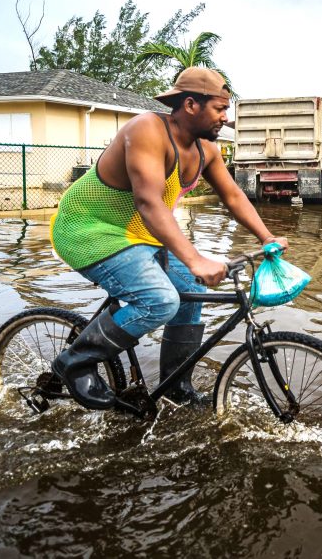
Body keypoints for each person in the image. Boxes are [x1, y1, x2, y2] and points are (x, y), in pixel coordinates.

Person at [49, 67, 287, 410]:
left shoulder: (207, 150)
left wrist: (266, 237)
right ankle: (74, 362)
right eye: (219, 109)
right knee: (160, 301)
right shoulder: (147, 130)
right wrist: (196, 259)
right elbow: (148, 202)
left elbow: (233, 196)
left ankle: (176, 387)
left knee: (191, 290)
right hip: (89, 230)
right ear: (190, 105)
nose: (225, 117)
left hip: (140, 235)